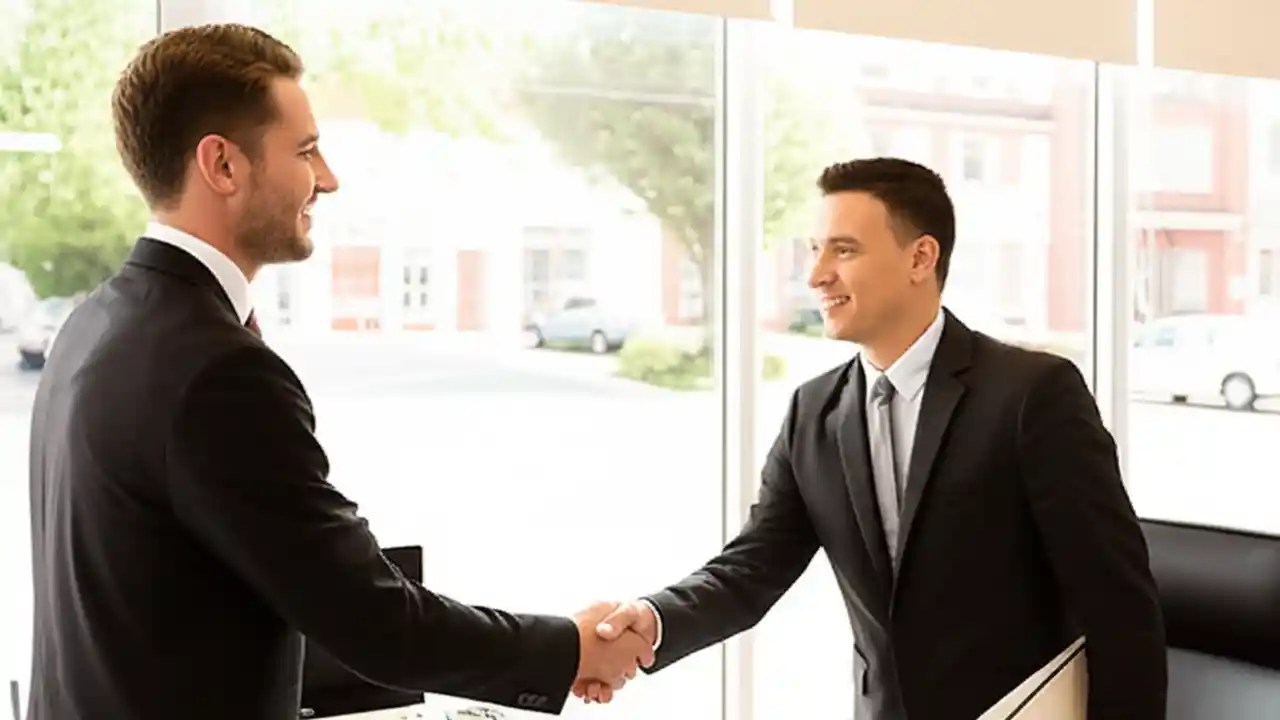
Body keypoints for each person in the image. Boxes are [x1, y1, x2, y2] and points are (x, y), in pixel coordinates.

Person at [26, 23, 650, 720]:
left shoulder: (92, 324)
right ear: (222, 165)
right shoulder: (218, 370)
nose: (327, 178)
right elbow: (372, 622)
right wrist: (569, 650)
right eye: (305, 151)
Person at [580, 158, 1167, 718]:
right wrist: (652, 620)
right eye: (814, 250)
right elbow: (752, 568)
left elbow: (1118, 603)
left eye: (844, 249)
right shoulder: (814, 410)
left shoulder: (1032, 394)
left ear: (921, 257)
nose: (816, 275)